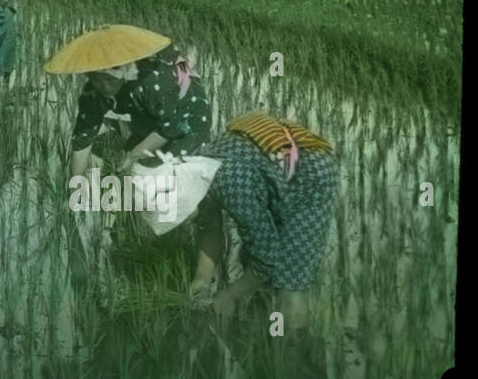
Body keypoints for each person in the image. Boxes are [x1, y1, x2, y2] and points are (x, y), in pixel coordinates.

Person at [189, 112, 337, 328]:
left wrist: (225, 299)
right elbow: (209, 225)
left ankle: (292, 350)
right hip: (279, 169)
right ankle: (263, 329)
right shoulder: (198, 169)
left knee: (291, 281)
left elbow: (266, 258)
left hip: (311, 177)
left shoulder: (230, 182)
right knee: (260, 257)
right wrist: (201, 280)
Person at [46, 24, 212, 175]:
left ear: (124, 73)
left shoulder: (152, 80)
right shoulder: (93, 93)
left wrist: (134, 155)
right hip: (150, 111)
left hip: (187, 111)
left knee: (171, 170)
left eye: (110, 80)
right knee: (139, 165)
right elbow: (82, 139)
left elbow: (168, 127)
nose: (104, 86)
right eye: (97, 80)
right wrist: (75, 185)